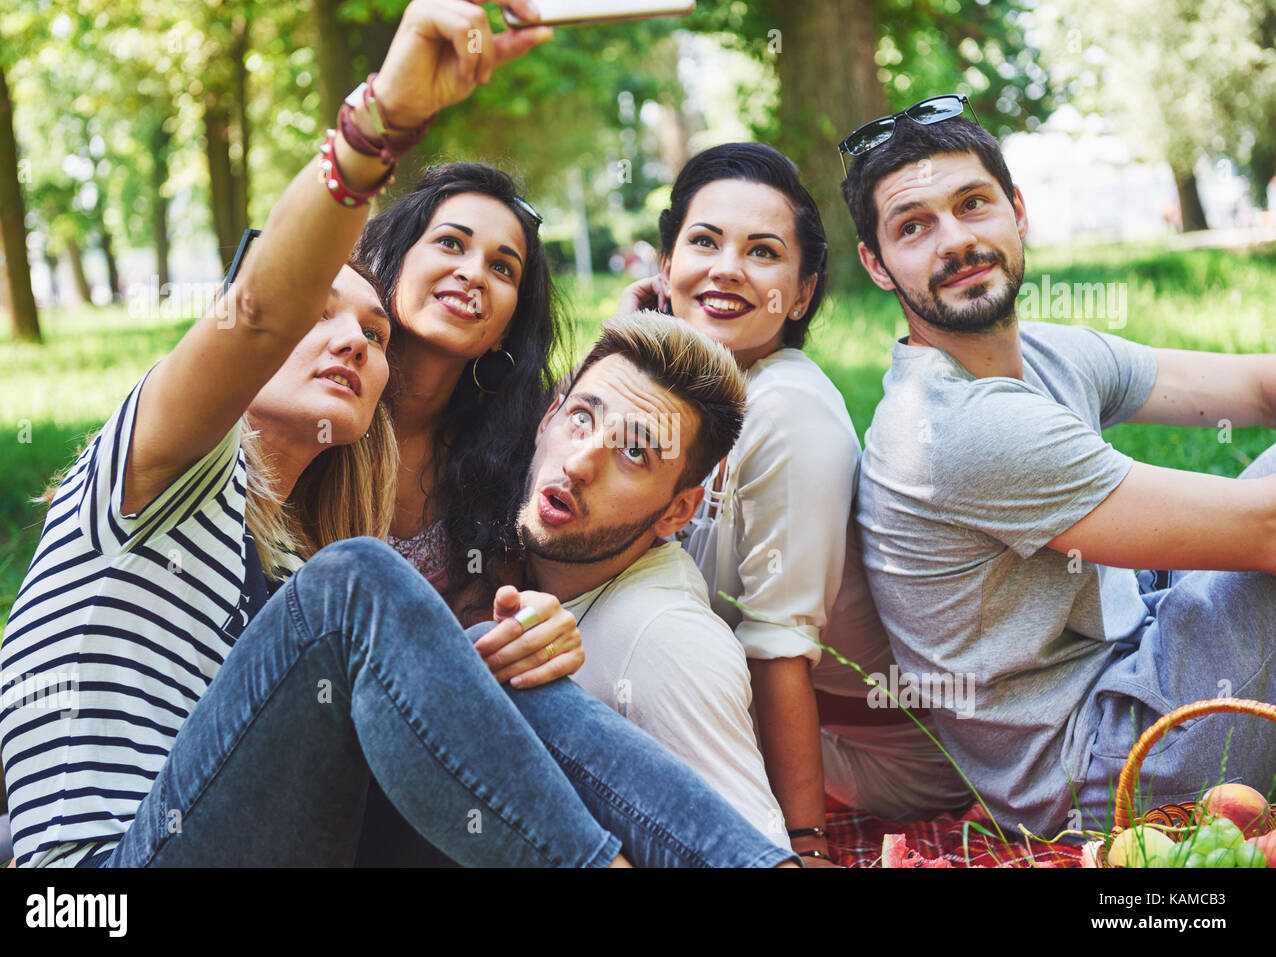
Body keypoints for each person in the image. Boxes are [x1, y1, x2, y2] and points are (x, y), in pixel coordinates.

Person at [0, 0, 796, 869]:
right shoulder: (156, 468)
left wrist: (527, 641)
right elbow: (262, 309)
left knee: (480, 676)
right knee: (363, 585)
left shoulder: (295, 560)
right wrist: (387, 115)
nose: (348, 338)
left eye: (374, 334)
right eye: (317, 311)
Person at [839, 93, 1276, 838]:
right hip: (1111, 765)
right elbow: (1265, 531)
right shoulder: (953, 428)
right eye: (914, 227)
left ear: (1017, 211)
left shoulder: (1042, 352)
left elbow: (1255, 386)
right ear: (877, 265)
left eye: (972, 204)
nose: (954, 241)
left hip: (1136, 649)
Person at [619, 143, 970, 859]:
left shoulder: (785, 412)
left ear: (801, 293)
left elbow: (780, 650)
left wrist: (803, 846)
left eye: (762, 252)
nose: (725, 268)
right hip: (769, 721)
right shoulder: (693, 404)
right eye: (704, 241)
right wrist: (624, 353)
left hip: (868, 756)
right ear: (666, 267)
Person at [513, 310, 790, 848]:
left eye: (634, 452)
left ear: (678, 511)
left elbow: (751, 854)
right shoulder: (516, 544)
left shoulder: (668, 641)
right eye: (581, 418)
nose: (579, 463)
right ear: (549, 416)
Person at [355, 161, 564, 627]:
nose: (473, 275)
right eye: (451, 243)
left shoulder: (506, 458)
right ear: (395, 258)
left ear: (505, 331)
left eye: (502, 267)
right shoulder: (323, 397)